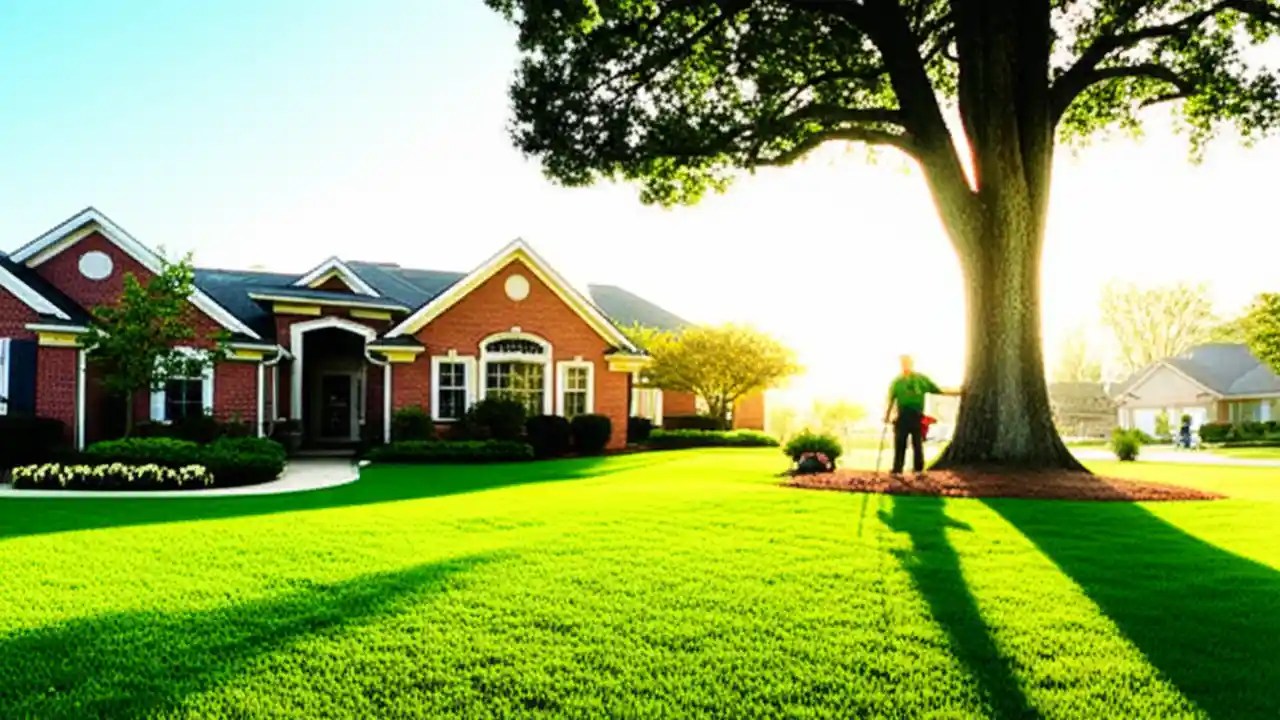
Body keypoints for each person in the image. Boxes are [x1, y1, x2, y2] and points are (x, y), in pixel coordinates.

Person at [883, 355, 961, 476]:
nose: (905, 365)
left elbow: (937, 390)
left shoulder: (921, 379)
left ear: (912, 363)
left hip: (916, 415)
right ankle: (897, 469)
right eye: (903, 363)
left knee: (917, 443)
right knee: (900, 443)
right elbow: (891, 400)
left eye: (907, 362)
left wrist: (956, 392)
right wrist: (887, 416)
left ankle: (918, 469)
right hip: (902, 415)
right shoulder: (897, 382)